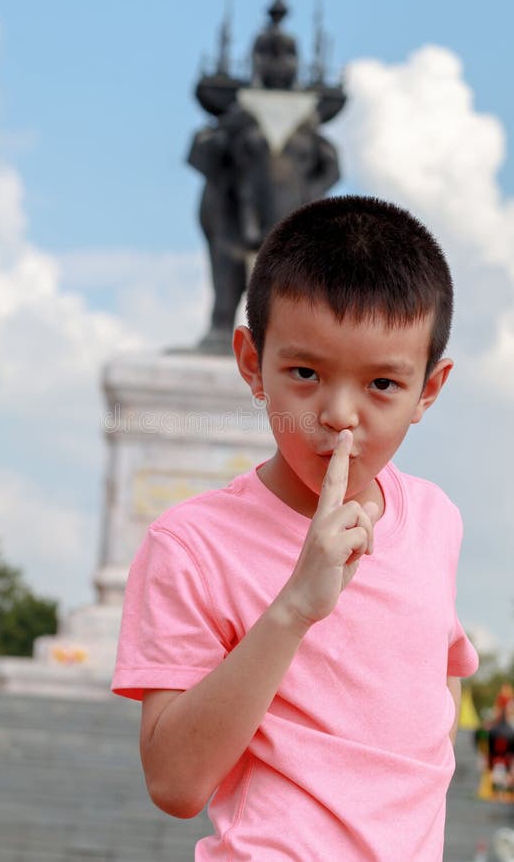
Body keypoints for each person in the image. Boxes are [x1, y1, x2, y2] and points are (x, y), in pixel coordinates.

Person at [113, 195, 479, 860]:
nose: (340, 414)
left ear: (429, 388)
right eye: (305, 373)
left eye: (383, 385)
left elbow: (439, 685)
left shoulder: (435, 520)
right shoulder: (192, 546)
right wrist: (293, 610)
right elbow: (173, 782)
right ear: (252, 363)